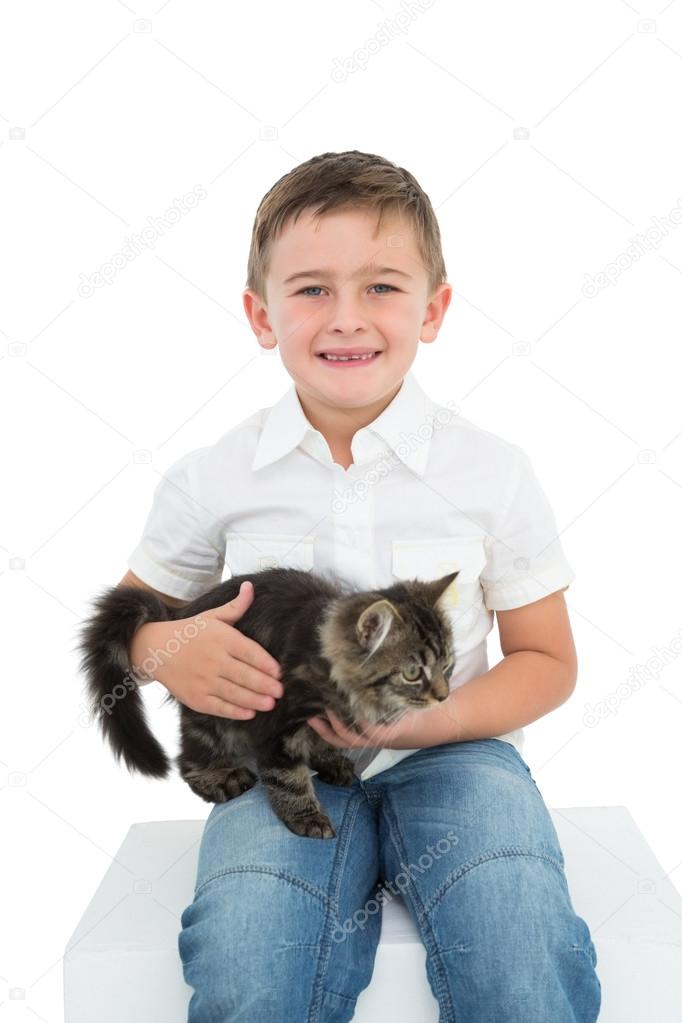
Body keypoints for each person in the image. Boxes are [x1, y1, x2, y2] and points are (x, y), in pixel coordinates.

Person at [121, 150, 601, 1021]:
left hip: (458, 757)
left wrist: (435, 719)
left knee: (518, 932)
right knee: (249, 954)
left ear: (435, 308)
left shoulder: (493, 472)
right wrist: (166, 651)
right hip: (284, 763)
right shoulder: (211, 476)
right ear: (260, 315)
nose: (347, 318)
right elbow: (135, 621)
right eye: (310, 289)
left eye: (382, 286)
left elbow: (549, 657)